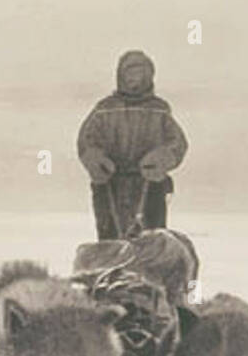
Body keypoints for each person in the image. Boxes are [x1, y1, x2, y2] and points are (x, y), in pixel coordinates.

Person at [76, 50, 188, 240]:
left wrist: (161, 159)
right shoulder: (104, 109)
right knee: (110, 241)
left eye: (140, 73)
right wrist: (96, 161)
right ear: (120, 75)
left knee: (151, 244)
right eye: (130, 72)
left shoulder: (159, 109)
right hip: (110, 184)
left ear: (149, 75)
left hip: (150, 184)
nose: (134, 78)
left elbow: (177, 143)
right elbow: (87, 141)